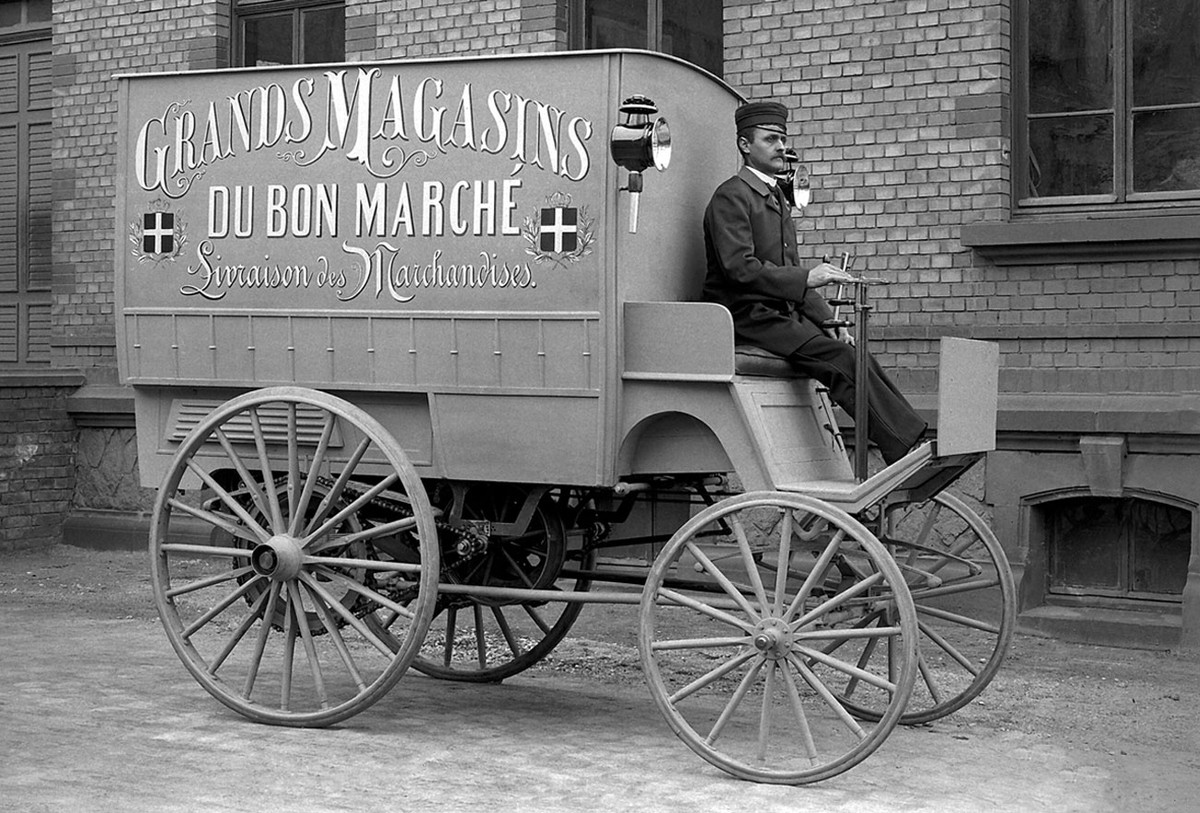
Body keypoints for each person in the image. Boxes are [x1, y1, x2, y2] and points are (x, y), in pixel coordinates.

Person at [702, 100, 926, 465]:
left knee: (853, 350)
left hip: (775, 314)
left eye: (783, 139)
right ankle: (901, 447)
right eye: (771, 139)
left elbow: (788, 269)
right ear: (745, 145)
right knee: (838, 360)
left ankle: (912, 437)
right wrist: (808, 276)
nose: (781, 147)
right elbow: (739, 269)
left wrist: (828, 321)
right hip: (745, 316)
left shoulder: (773, 196)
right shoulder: (731, 196)